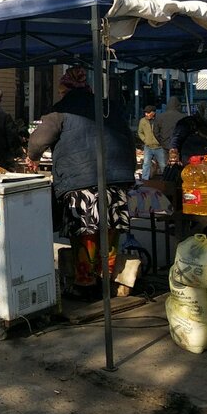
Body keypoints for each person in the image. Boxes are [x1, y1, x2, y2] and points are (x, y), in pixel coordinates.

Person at [24, 67, 135, 301]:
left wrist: (32, 157)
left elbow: (38, 141)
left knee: (85, 232)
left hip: (80, 182)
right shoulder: (108, 106)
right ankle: (106, 278)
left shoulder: (60, 110)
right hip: (116, 179)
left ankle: (85, 283)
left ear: (65, 88)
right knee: (109, 231)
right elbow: (128, 137)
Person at [137, 105, 165, 180]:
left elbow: (163, 131)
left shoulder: (159, 120)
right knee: (146, 164)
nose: (146, 114)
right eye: (145, 112)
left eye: (148, 112)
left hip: (159, 147)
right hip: (148, 146)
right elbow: (140, 132)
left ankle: (166, 180)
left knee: (163, 165)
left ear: (153, 113)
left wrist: (161, 141)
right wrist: (145, 140)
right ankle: (144, 180)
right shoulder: (143, 121)